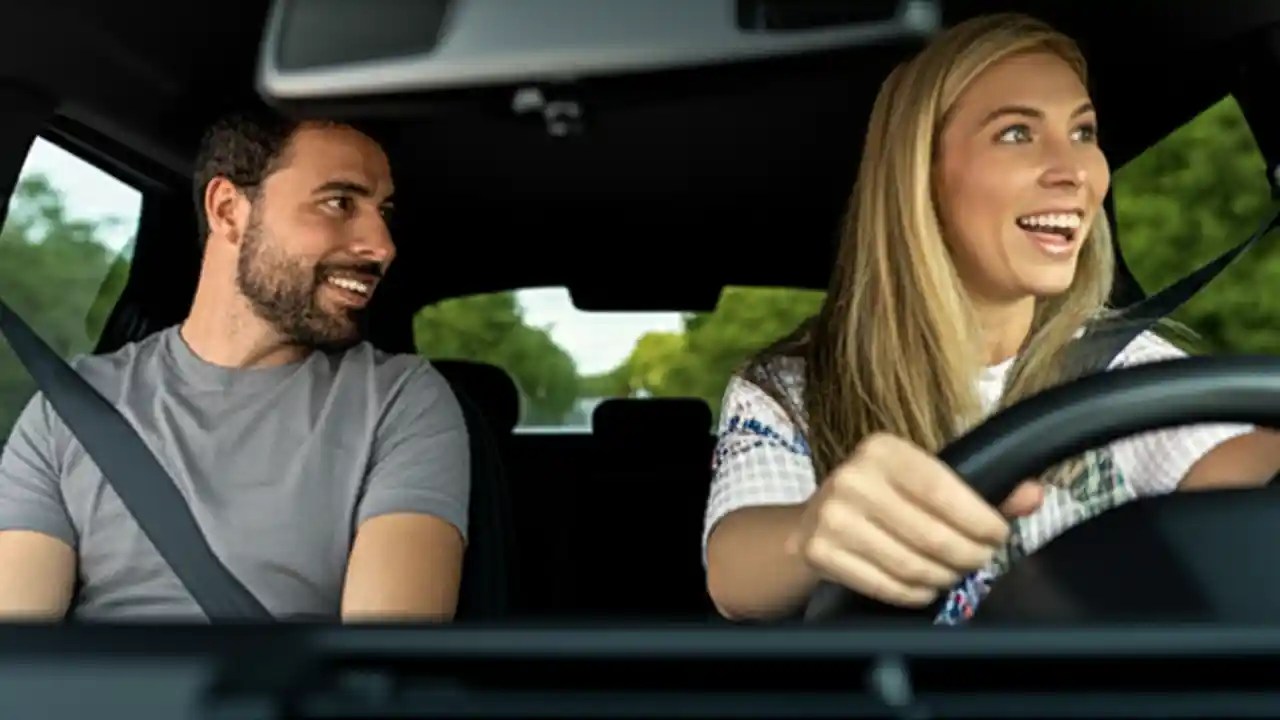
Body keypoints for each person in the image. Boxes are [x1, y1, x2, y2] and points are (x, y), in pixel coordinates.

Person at [702, 13, 1280, 625]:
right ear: (920, 176)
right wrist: (814, 531)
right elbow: (736, 574)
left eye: (1083, 132)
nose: (1075, 171)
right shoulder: (792, 388)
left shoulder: (1125, 368)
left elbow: (1237, 466)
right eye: (1016, 134)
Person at [0, 110, 471, 621]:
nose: (382, 246)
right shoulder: (70, 407)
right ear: (228, 211)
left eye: (383, 211)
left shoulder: (399, 400)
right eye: (339, 202)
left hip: (282, 701)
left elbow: (379, 667)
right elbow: (18, 650)